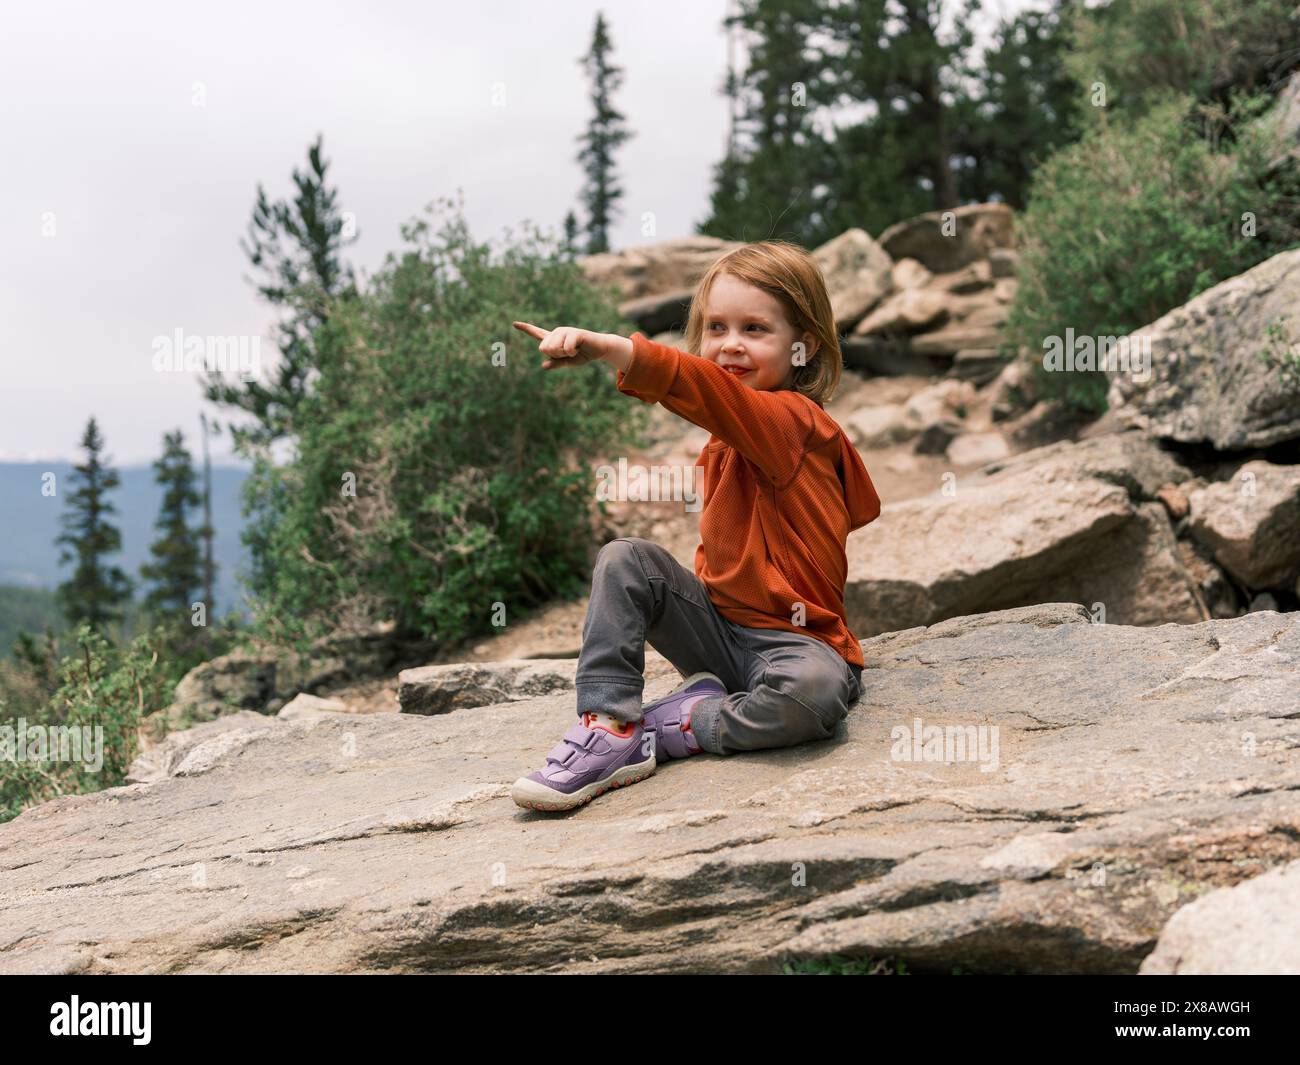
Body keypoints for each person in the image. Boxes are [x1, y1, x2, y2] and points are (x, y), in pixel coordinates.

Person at [510, 239, 882, 812]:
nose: (730, 344)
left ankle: (686, 721)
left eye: (755, 329)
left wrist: (615, 349)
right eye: (716, 328)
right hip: (714, 633)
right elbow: (718, 402)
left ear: (803, 349)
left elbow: (707, 392)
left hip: (792, 642)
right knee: (625, 559)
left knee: (812, 698)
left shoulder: (793, 423)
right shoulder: (731, 433)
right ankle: (610, 727)